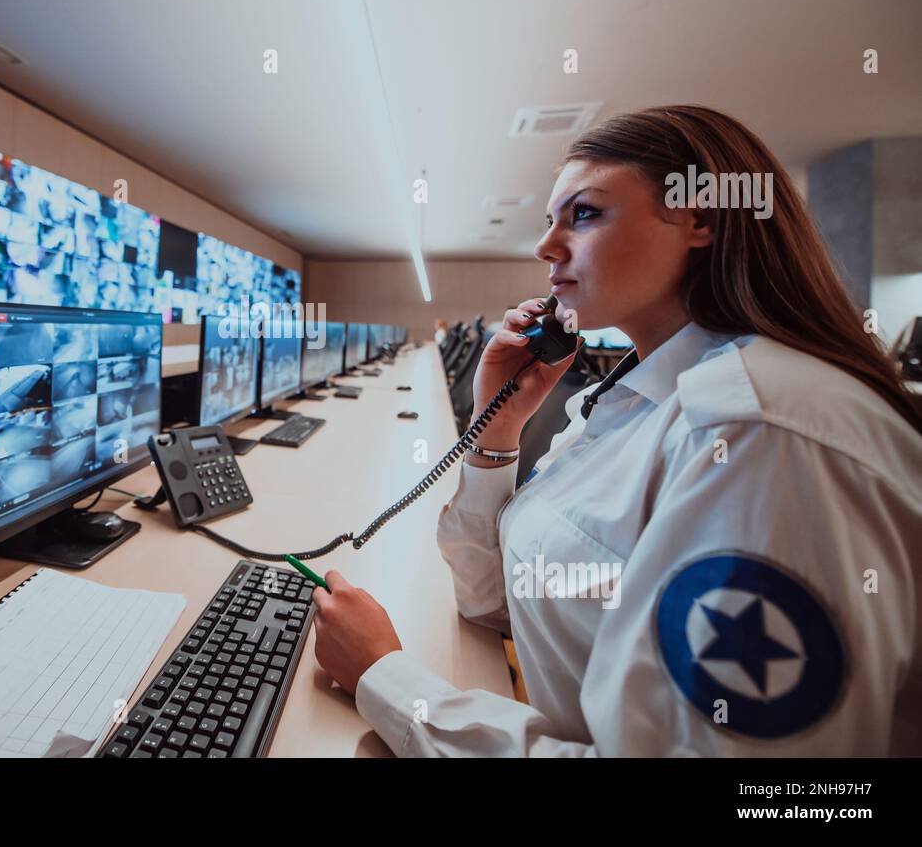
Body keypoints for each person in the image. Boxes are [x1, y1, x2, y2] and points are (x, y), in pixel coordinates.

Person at [311, 105, 922, 756]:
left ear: (702, 218)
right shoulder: (631, 399)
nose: (546, 246)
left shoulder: (759, 437)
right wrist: (500, 428)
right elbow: (496, 603)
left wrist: (392, 683)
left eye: (584, 213)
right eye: (550, 221)